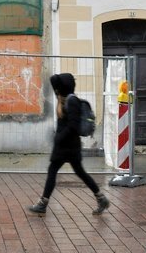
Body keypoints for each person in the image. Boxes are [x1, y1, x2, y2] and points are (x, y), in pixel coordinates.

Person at [27, 73, 110, 215]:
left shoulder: (72, 101)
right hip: (68, 145)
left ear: (63, 87)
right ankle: (101, 198)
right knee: (79, 172)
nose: (56, 89)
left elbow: (73, 125)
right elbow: (53, 79)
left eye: (60, 86)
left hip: (67, 145)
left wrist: (58, 138)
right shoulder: (63, 98)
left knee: (54, 171)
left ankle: (43, 203)